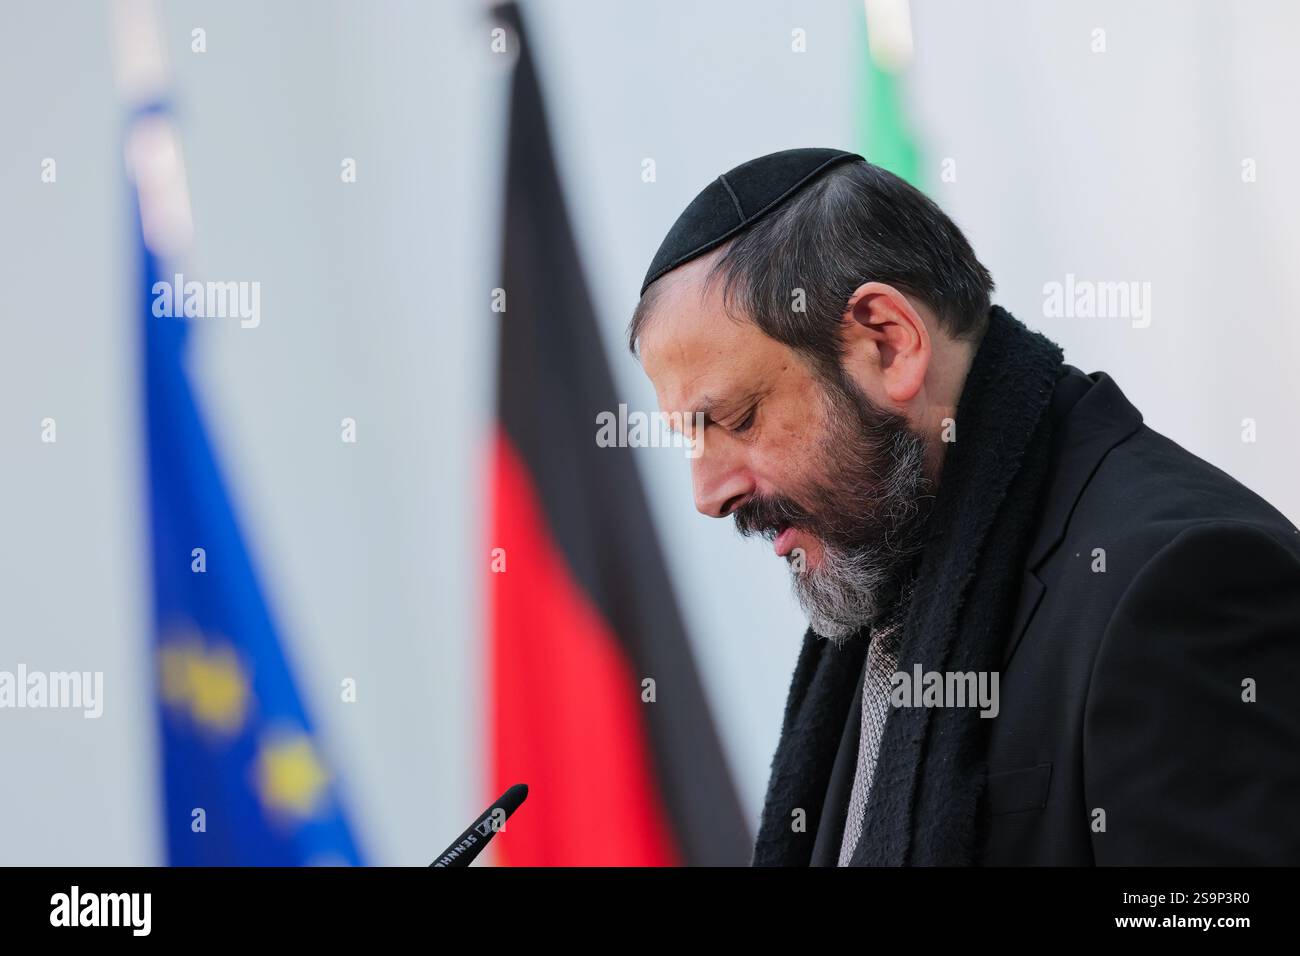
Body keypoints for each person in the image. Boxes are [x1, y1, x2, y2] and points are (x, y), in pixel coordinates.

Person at [629, 148, 1300, 865]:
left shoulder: (1182, 582)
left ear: (887, 343)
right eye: (689, 441)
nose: (708, 494)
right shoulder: (890, 567)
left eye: (735, 417)